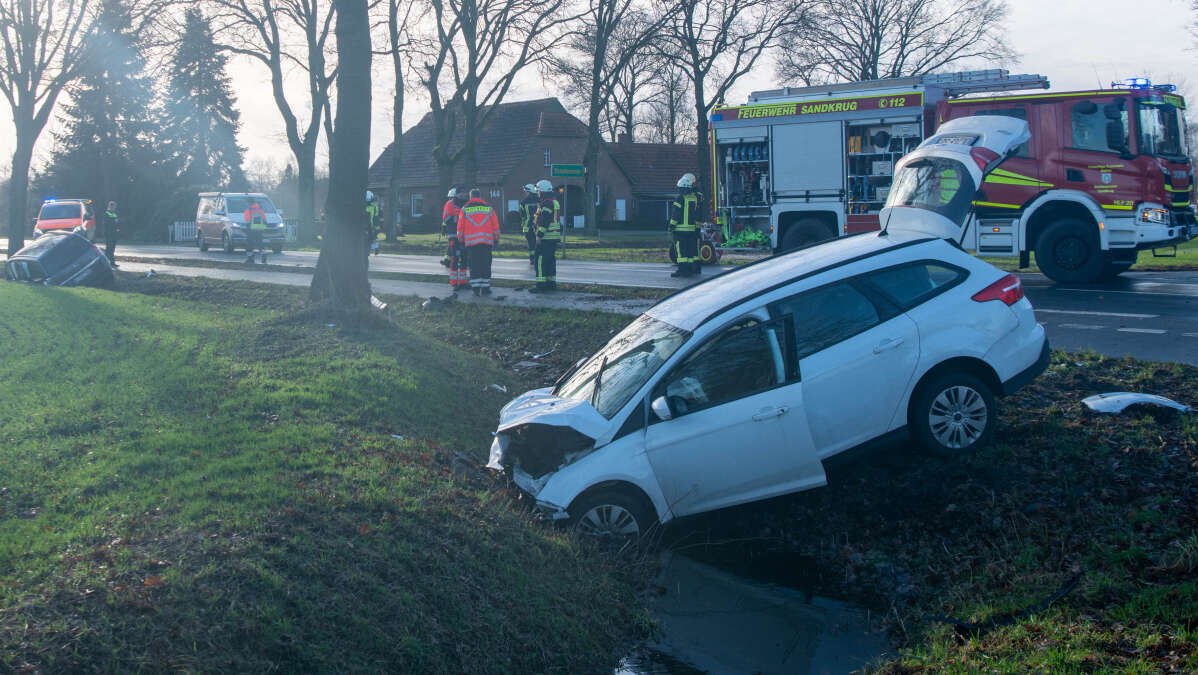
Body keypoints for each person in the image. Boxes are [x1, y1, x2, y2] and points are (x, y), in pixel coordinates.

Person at [459, 188, 501, 296]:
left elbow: (460, 227)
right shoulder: (489, 208)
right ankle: (486, 288)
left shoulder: (465, 209)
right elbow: (495, 226)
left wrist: (461, 240)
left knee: (474, 265)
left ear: (471, 197)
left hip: (472, 244)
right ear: (480, 196)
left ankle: (476, 288)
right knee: (486, 264)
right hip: (486, 243)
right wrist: (496, 238)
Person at [530, 179, 561, 293]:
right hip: (553, 237)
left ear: (542, 191)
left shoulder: (546, 203)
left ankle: (540, 285)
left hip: (546, 237)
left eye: (538, 191)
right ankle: (551, 283)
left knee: (540, 260)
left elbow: (545, 220)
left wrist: (539, 235)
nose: (537, 193)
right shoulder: (554, 201)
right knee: (550, 261)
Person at [669, 173, 702, 278]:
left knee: (681, 251)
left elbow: (676, 214)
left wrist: (671, 226)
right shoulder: (693, 198)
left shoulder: (679, 199)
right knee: (690, 251)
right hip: (691, 229)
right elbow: (697, 213)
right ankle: (692, 269)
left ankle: (683, 270)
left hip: (680, 230)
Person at [441, 187, 469, 291]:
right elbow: (446, 218)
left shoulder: (467, 203)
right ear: (456, 194)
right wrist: (460, 218)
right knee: (455, 259)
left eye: (464, 193)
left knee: (464, 259)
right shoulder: (450, 204)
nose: (463, 195)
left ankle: (462, 282)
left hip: (465, 236)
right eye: (461, 193)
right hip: (454, 235)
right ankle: (454, 283)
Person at [519, 183, 539, 266]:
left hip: (527, 226)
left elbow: (522, 215)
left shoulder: (523, 202)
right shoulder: (540, 200)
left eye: (526, 191)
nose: (525, 193)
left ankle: (532, 259)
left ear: (529, 191)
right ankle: (538, 258)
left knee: (531, 243)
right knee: (538, 242)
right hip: (538, 225)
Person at [244, 198, 268, 264]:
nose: (246, 204)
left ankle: (250, 258)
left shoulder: (248, 210)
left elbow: (248, 221)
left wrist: (247, 229)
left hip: (251, 229)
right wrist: (263, 228)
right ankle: (264, 255)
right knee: (260, 243)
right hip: (260, 229)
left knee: (250, 244)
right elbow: (265, 220)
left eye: (246, 203)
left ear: (249, 203)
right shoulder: (260, 209)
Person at [101, 201, 120, 267]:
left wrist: (117, 225)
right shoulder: (106, 213)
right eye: (114, 206)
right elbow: (106, 223)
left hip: (114, 233)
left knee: (112, 248)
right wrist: (114, 222)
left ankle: (108, 262)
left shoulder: (113, 213)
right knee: (109, 248)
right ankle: (111, 262)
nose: (115, 208)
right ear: (110, 206)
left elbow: (117, 221)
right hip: (109, 233)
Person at [365, 190, 382, 258]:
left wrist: (377, 227)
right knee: (373, 238)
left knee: (372, 238)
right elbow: (376, 217)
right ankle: (375, 249)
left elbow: (376, 217)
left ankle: (374, 249)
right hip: (370, 225)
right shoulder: (375, 206)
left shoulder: (373, 206)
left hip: (369, 225)